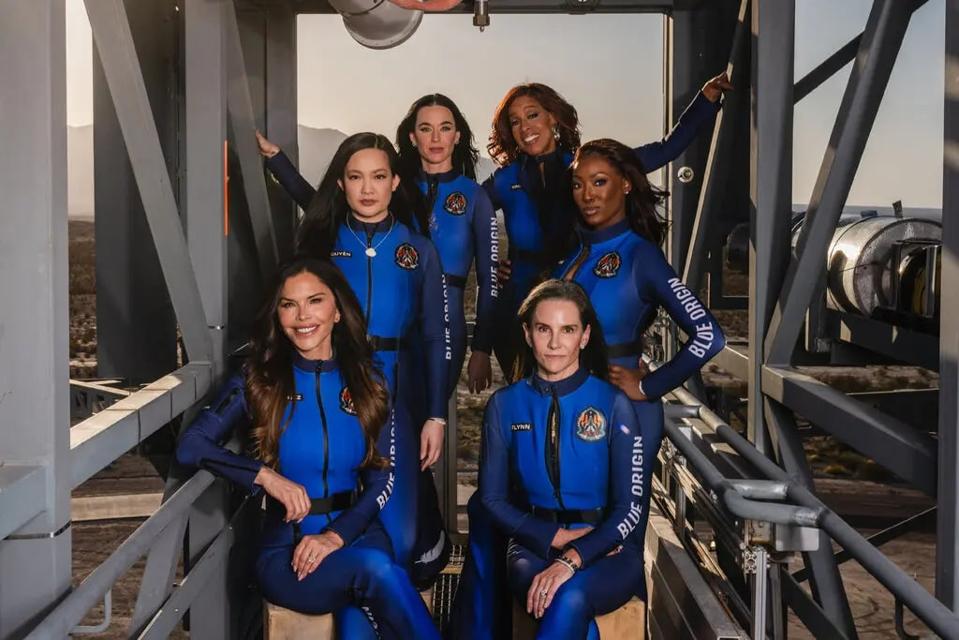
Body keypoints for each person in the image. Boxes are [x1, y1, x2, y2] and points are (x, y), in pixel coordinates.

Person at [175, 258, 439, 640]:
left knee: (359, 625)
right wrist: (265, 477)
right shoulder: (258, 380)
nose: (302, 316)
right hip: (290, 552)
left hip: (357, 536)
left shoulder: (370, 380)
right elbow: (191, 446)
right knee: (377, 572)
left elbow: (382, 480)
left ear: (337, 311)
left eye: (315, 301)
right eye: (289, 305)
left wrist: (335, 537)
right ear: (277, 315)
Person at [486, 75, 731, 378]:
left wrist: (705, 99)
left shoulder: (585, 167)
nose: (525, 127)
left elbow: (664, 150)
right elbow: (464, 215)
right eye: (515, 121)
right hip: (517, 314)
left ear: (553, 117)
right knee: (527, 401)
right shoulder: (504, 179)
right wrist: (490, 266)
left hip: (577, 312)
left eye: (532, 115)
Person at [479, 279, 646, 639]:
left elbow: (630, 508)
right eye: (544, 329)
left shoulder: (614, 404)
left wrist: (574, 557)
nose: (555, 343)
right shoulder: (504, 405)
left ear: (584, 337)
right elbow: (492, 500)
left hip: (609, 547)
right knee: (565, 600)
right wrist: (555, 537)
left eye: (567, 330)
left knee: (569, 596)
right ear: (527, 334)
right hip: (532, 546)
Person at [559, 137, 725, 479]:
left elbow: (709, 336)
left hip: (621, 413)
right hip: (569, 407)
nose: (587, 195)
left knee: (615, 514)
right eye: (578, 184)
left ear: (625, 184)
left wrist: (649, 386)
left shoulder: (640, 255)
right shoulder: (577, 252)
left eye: (599, 182)